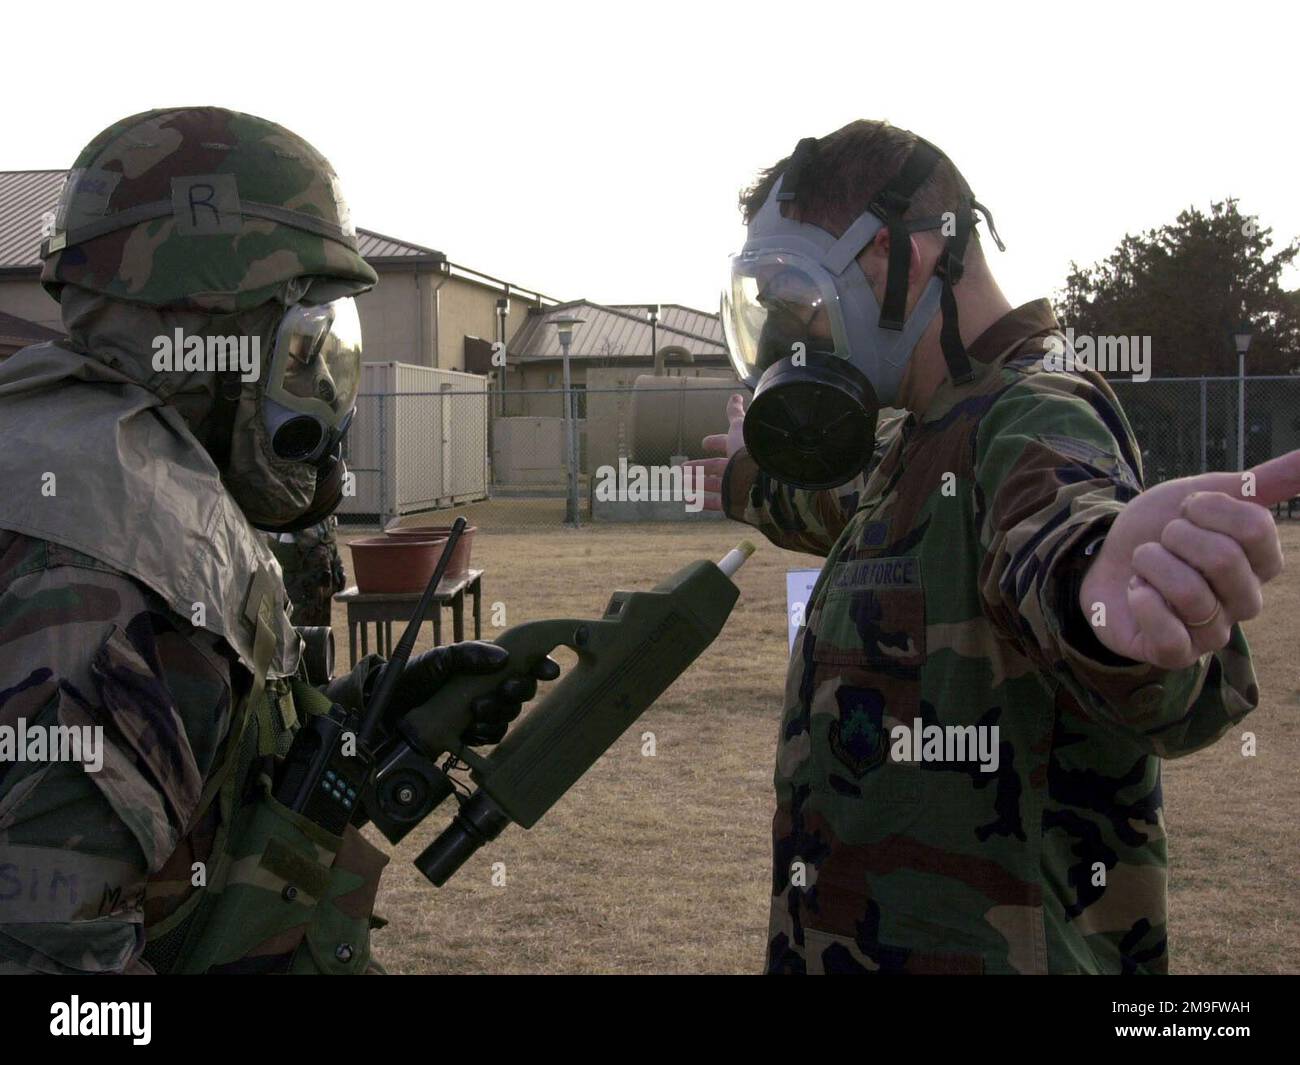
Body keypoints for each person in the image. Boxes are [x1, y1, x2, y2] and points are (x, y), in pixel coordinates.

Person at [690, 120, 1297, 974]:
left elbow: (1057, 538)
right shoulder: (924, 436)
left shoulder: (1035, 414)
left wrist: (1097, 596)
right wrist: (747, 480)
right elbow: (857, 512)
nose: (798, 338)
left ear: (893, 261)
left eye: (798, 302)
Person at [0, 107, 551, 974]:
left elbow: (176, 768)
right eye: (304, 344)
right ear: (212, 335)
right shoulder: (113, 556)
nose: (321, 383)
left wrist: (369, 706)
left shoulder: (85, 455)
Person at [267, 517, 347, 627]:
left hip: (316, 567)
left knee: (318, 622)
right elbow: (285, 555)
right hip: (299, 575)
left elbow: (329, 543)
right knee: (298, 621)